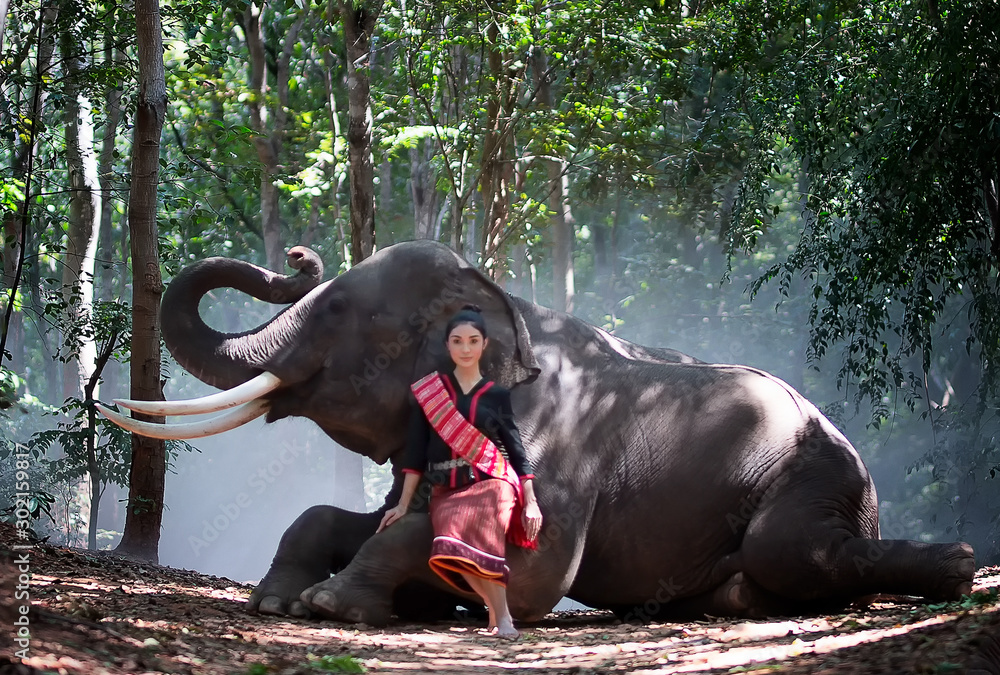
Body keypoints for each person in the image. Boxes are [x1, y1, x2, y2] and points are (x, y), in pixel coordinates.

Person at [377, 304, 543, 639]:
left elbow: (515, 449)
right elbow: (415, 455)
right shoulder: (430, 394)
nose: (465, 348)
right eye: (457, 341)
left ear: (484, 345)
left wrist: (530, 498)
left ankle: (503, 619)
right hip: (447, 491)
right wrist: (403, 505)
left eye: (472, 341)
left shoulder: (496, 395)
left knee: (484, 534)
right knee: (448, 545)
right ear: (448, 346)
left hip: (492, 483)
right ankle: (497, 615)